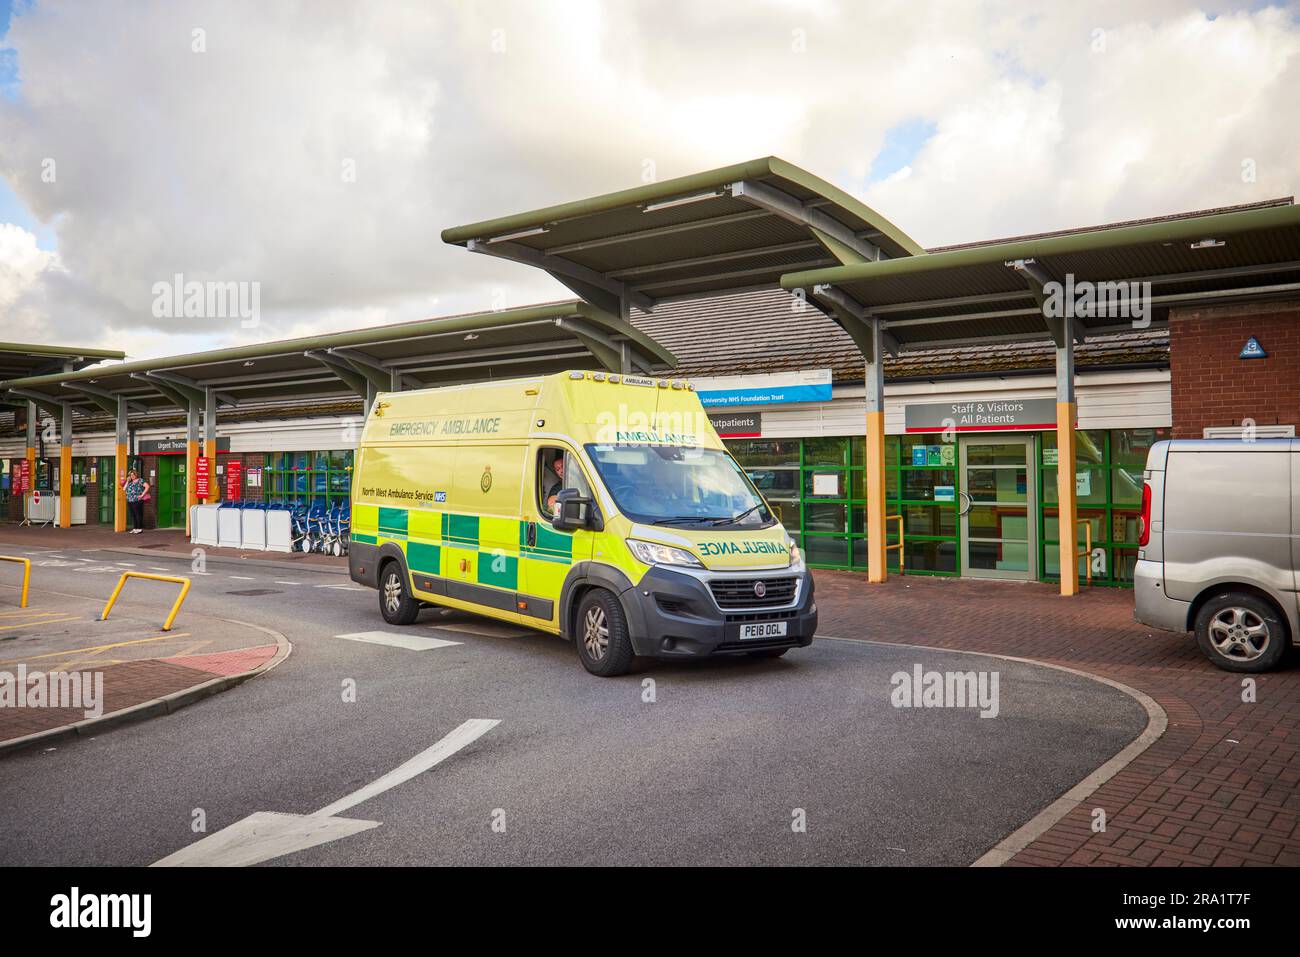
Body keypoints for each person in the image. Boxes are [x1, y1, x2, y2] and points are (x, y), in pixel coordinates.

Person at [123, 469, 150, 534]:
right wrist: (127, 481)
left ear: (136, 475)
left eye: (133, 475)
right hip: (130, 500)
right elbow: (124, 489)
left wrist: (142, 495)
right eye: (130, 475)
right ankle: (135, 528)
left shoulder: (140, 480)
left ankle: (139, 528)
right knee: (133, 515)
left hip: (137, 500)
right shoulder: (130, 482)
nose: (132, 476)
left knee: (138, 514)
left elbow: (147, 486)